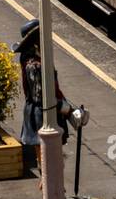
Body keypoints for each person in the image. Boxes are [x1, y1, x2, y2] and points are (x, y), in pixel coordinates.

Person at [14, 19, 72, 167]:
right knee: (46, 155)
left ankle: (51, 183)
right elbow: (40, 97)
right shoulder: (34, 65)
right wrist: (65, 108)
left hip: (45, 110)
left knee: (51, 154)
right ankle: (47, 182)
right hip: (41, 113)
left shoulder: (40, 58)